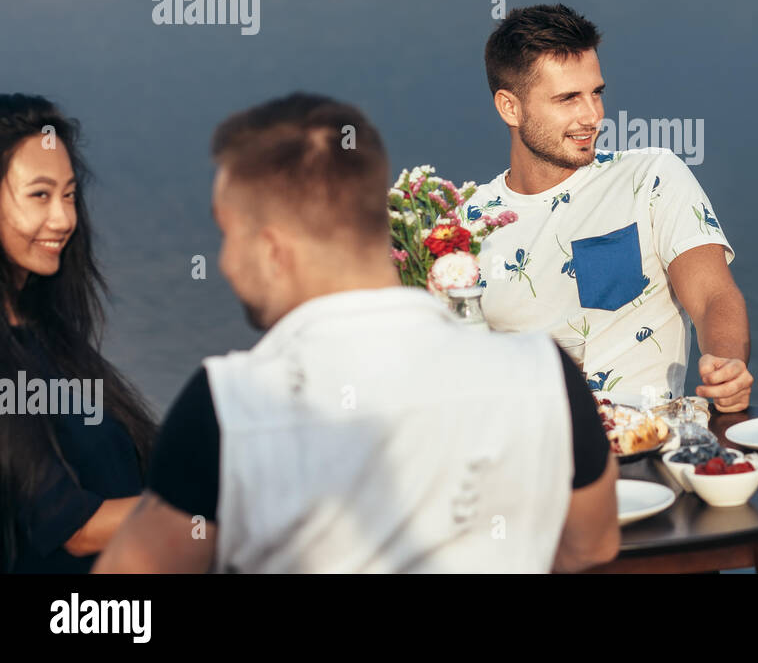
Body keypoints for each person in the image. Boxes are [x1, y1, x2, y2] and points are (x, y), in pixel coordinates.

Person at [94, 93, 618, 573]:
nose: (224, 262)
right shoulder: (544, 375)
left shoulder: (230, 405)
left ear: (272, 250)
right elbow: (590, 547)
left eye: (228, 236)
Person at [467, 3, 753, 409]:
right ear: (509, 107)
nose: (592, 116)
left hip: (648, 447)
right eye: (568, 99)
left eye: (596, 93)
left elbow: (712, 296)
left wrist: (727, 365)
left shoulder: (652, 177)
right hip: (525, 452)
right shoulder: (465, 223)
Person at [0, 94, 156, 572]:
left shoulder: (45, 334)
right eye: (40, 195)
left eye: (69, 195)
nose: (64, 219)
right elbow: (74, 529)